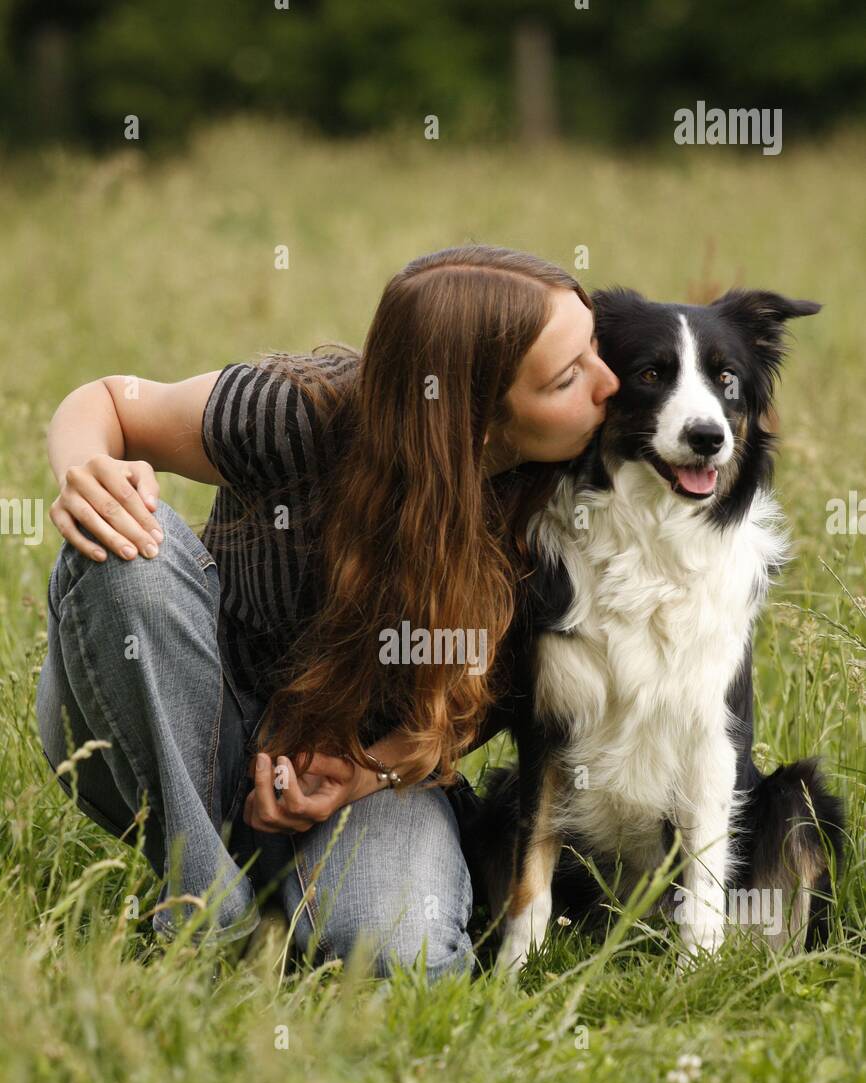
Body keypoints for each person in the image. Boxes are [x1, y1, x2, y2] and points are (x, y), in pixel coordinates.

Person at [36, 244, 619, 981]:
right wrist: (87, 468)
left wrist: (368, 770)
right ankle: (208, 909)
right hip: (188, 726)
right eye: (569, 376)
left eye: (594, 346)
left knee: (404, 962)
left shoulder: (573, 508)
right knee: (127, 550)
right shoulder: (296, 414)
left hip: (370, 780)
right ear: (475, 419)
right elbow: (111, 401)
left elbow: (499, 707)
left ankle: (278, 890)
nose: (610, 381)